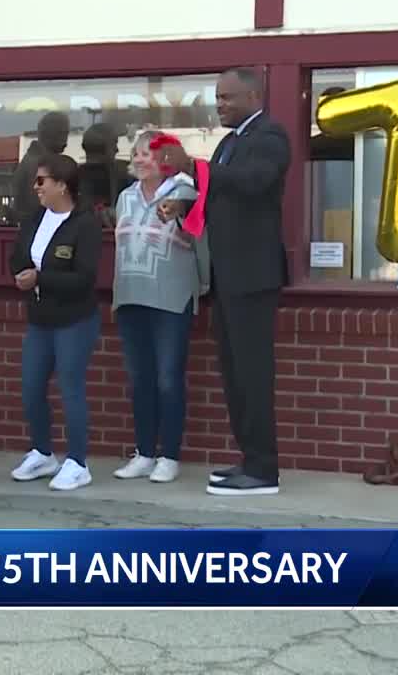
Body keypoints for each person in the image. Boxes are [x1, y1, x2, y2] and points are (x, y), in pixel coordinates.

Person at [160, 67, 290, 496]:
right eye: (217, 97)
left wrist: (193, 167)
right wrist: (182, 203)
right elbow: (217, 195)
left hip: (253, 277)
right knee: (235, 375)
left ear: (254, 96)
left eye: (228, 97)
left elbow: (254, 183)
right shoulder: (231, 142)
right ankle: (249, 461)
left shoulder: (270, 137)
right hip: (227, 276)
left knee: (252, 375)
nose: (220, 105)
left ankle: (263, 470)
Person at [110, 130, 206, 485]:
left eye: (146, 154)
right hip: (131, 298)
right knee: (139, 381)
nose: (138, 160)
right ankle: (144, 452)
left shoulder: (182, 194)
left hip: (171, 298)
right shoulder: (124, 198)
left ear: (164, 159)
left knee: (168, 380)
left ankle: (170, 455)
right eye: (134, 154)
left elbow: (198, 237)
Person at [8, 153, 102, 490]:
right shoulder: (35, 218)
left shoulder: (85, 224)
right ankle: (43, 453)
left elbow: (84, 277)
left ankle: (78, 462)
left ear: (62, 186)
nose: (36, 188)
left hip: (74, 320)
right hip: (40, 320)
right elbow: (19, 255)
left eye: (41, 181)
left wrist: (41, 279)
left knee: (70, 387)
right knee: (31, 386)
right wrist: (19, 273)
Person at [11, 111, 71, 222]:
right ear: (53, 134)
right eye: (64, 133)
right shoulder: (41, 166)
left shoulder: (30, 160)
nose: (66, 140)